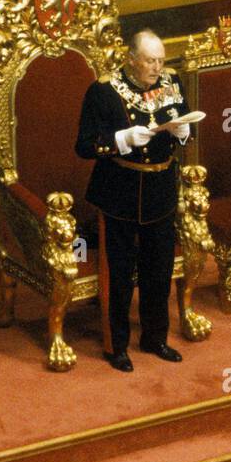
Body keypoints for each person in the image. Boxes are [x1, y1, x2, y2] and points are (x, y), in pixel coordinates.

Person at [75, 30, 190, 371]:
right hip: (119, 192)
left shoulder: (171, 81)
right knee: (120, 275)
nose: (157, 68)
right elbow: (83, 145)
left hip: (162, 190)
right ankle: (116, 345)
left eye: (160, 60)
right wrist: (120, 139)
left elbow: (182, 117)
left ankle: (155, 338)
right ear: (131, 59)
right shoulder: (103, 91)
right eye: (150, 61)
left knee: (159, 271)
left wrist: (184, 132)